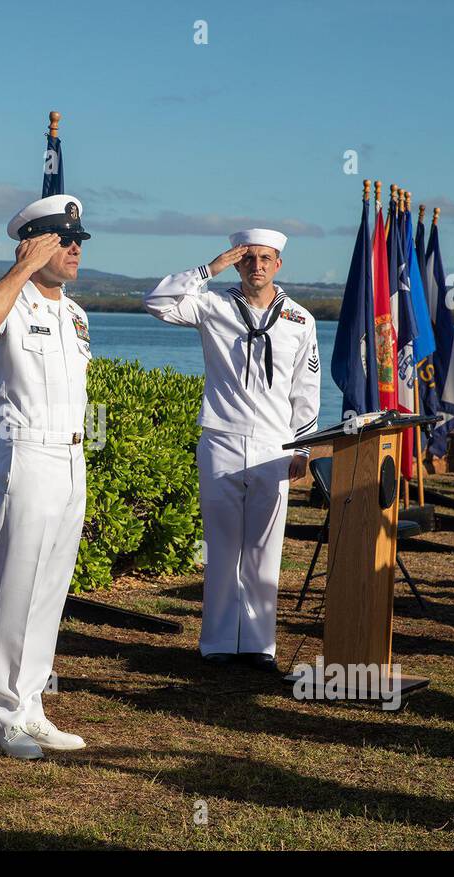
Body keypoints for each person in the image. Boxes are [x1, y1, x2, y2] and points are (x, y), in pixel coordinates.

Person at [143, 229, 320, 671]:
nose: (256, 266)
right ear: (238, 263)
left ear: (279, 264)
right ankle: (219, 642)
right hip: (221, 438)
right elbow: (157, 302)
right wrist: (209, 268)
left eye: (265, 258)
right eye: (247, 259)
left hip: (275, 445)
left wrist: (305, 444)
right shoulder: (213, 304)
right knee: (222, 545)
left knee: (265, 548)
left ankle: (259, 644)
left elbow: (306, 387)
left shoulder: (300, 319)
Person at [0, 194, 93, 760]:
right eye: (62, 241)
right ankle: (1, 714)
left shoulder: (77, 314)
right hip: (27, 453)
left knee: (50, 590)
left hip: (71, 457)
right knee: (16, 586)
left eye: (77, 241)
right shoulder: (11, 302)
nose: (74, 250)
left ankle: (32, 706)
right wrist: (19, 268)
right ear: (33, 244)